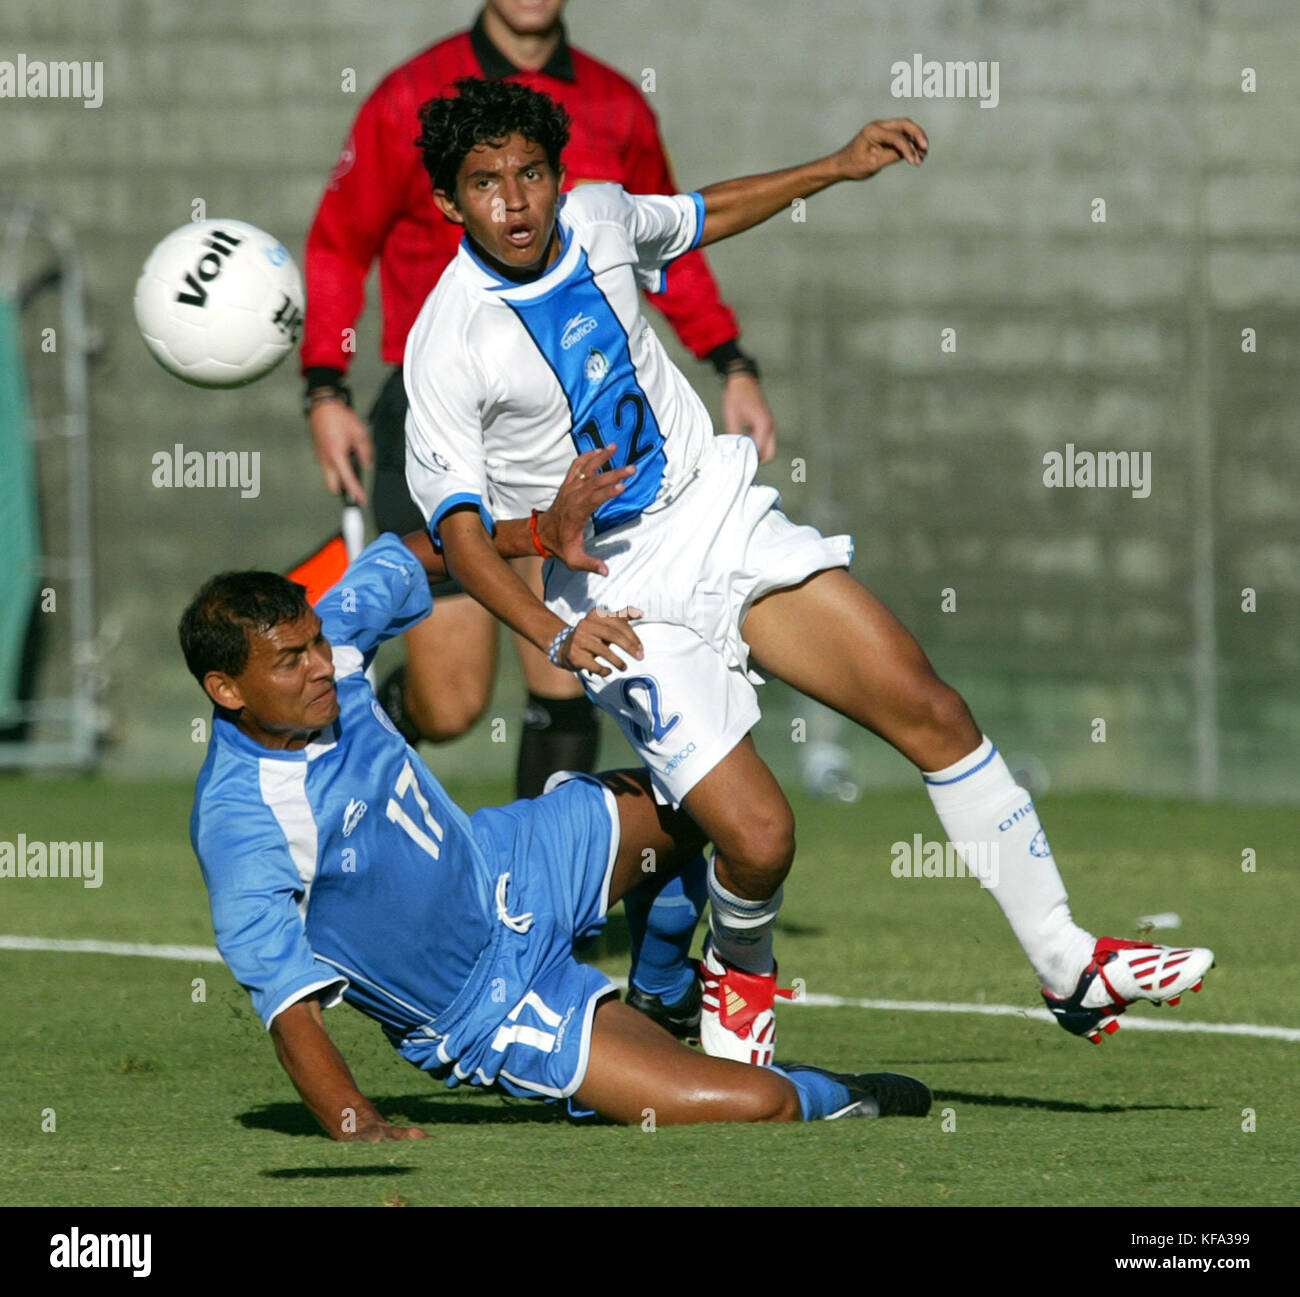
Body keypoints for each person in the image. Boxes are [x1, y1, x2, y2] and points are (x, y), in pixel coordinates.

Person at [401, 79, 1217, 1065]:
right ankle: (724, 973)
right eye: (484, 183)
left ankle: (1067, 963)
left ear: (557, 172)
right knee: (760, 840)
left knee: (931, 708)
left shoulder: (599, 215)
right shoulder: (445, 342)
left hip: (716, 513)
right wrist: (554, 629)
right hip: (615, 596)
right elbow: (456, 537)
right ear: (447, 202)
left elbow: (702, 216)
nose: (516, 201)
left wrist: (835, 165)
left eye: (530, 173)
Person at [179, 508, 932, 1137]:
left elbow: (408, 553)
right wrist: (354, 1119)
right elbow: (290, 1009)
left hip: (517, 860)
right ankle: (833, 1092)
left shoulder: (334, 651)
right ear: (226, 687)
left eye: (315, 642)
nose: (318, 665)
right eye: (289, 661)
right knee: (755, 1103)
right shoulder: (241, 823)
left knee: (708, 797)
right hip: (491, 1003)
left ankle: (663, 987)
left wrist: (536, 532)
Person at [300, 0, 774, 803]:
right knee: (450, 703)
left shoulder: (615, 102)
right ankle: (334, 766)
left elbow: (665, 241)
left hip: (566, 422)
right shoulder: (409, 93)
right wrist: (324, 386)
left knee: (570, 673)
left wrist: (729, 359)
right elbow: (339, 242)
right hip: (445, 411)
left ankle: (539, 898)